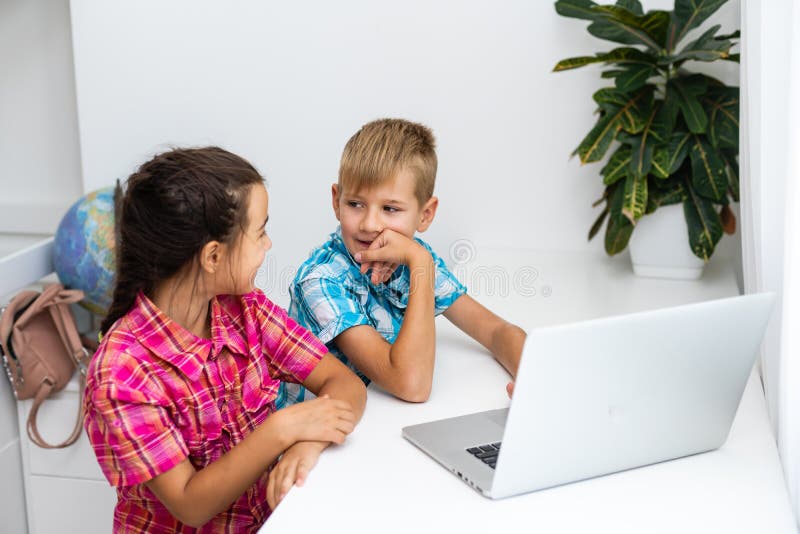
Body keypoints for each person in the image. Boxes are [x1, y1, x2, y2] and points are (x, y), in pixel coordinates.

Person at [83, 147, 366, 533]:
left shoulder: (246, 310)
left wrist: (306, 445)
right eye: (260, 232)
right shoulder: (120, 374)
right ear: (213, 256)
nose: (268, 245)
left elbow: (345, 384)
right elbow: (189, 504)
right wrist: (283, 430)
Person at [288, 119, 526, 403]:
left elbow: (497, 331)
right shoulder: (321, 282)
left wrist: (533, 377)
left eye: (390, 208)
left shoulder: (413, 256)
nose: (369, 223)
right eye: (355, 204)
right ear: (336, 201)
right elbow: (411, 384)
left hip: (377, 420)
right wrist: (421, 264)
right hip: (315, 435)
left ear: (425, 214)